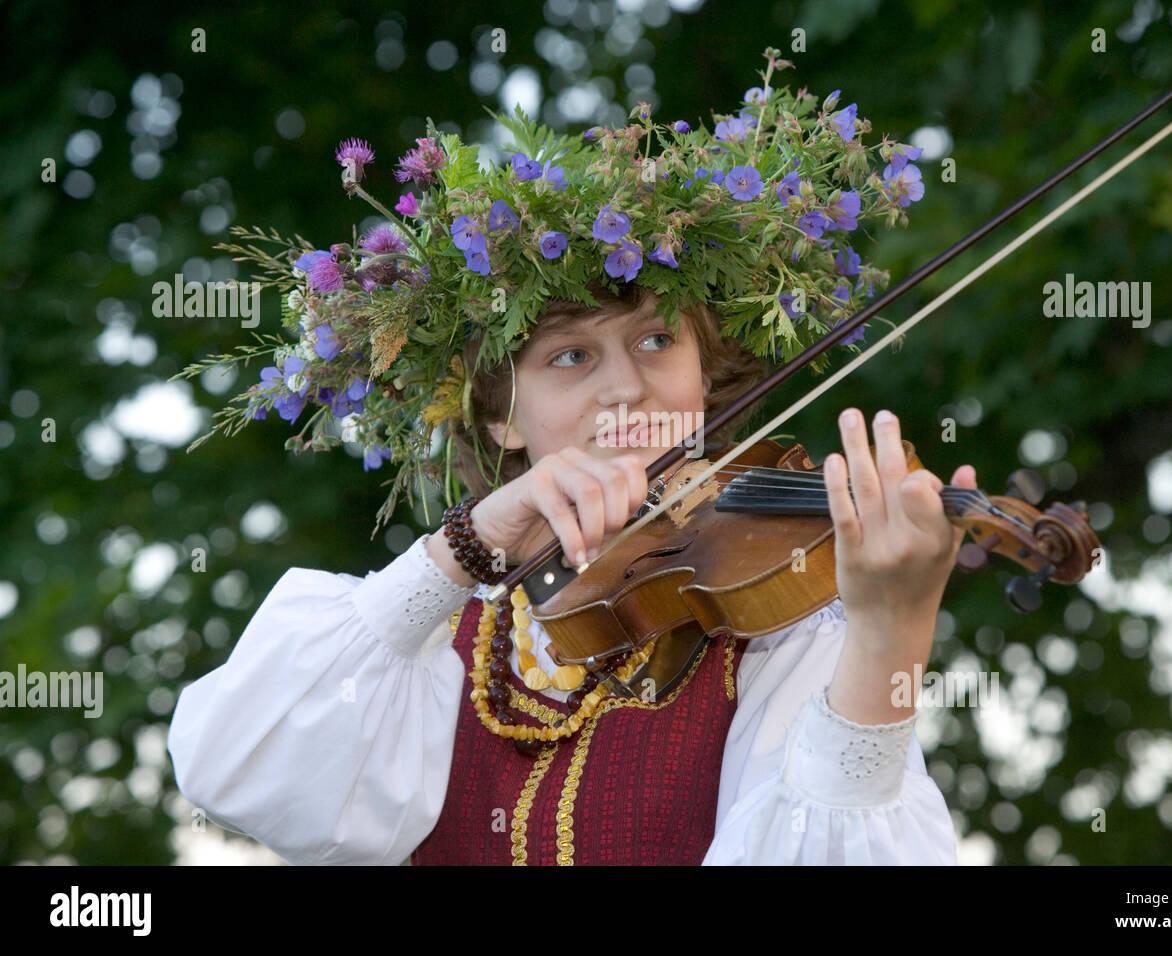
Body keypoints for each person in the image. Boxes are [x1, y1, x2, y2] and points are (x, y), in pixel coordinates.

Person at [167, 51, 972, 864]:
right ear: (500, 416)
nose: (628, 388)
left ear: (704, 378)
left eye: (658, 340)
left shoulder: (778, 634)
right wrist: (464, 548)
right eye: (570, 357)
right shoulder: (426, 643)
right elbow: (234, 769)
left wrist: (889, 632)